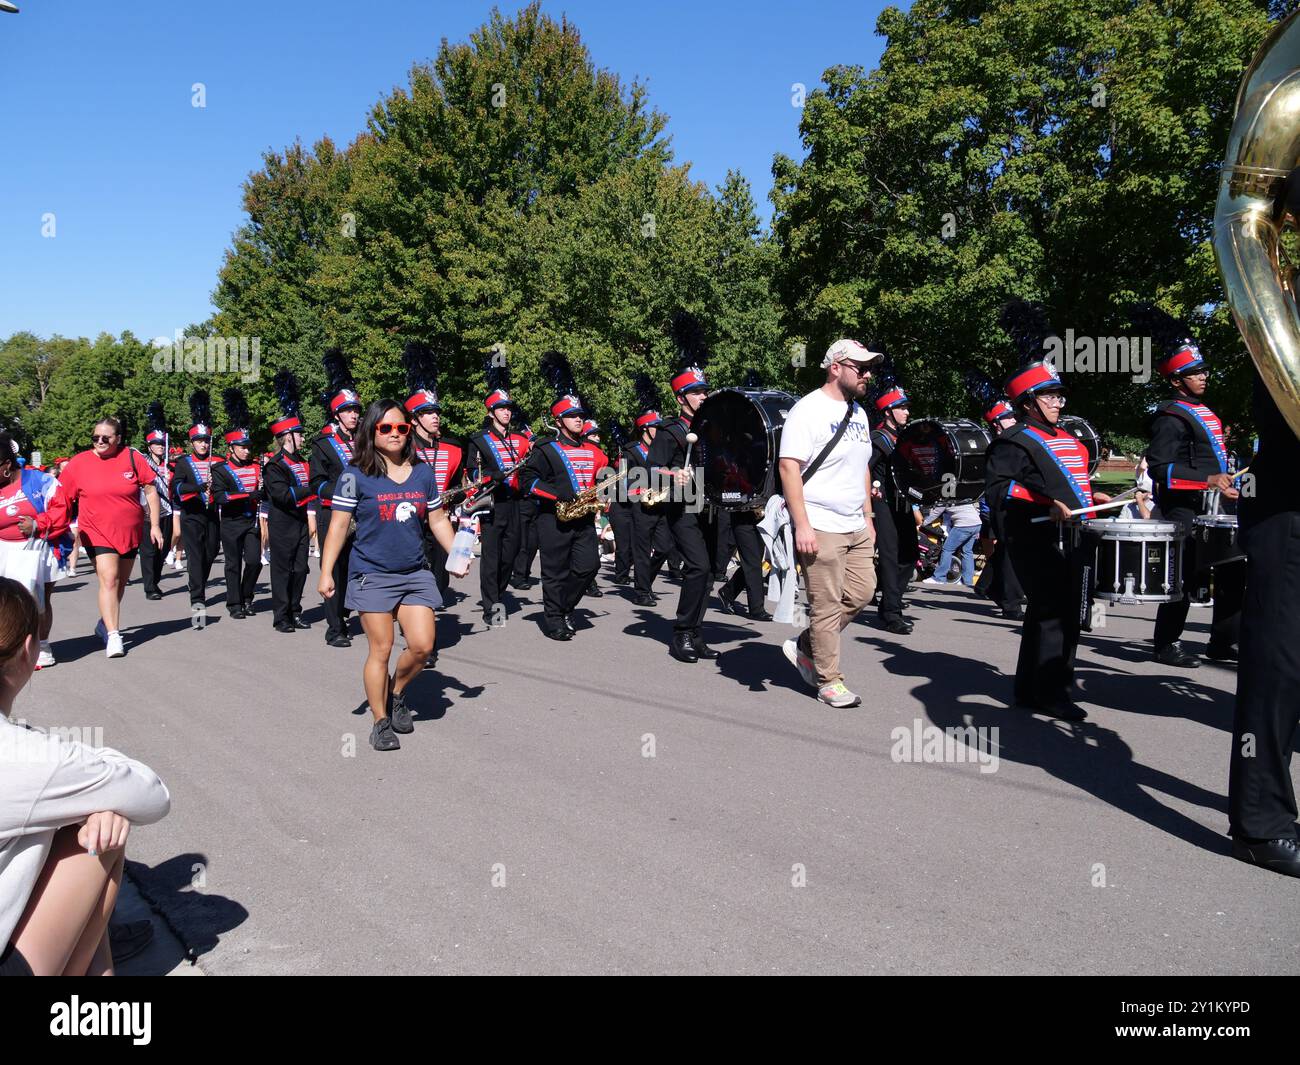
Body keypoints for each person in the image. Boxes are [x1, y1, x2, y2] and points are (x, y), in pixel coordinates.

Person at [0, 578, 171, 976]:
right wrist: (92, 788)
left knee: (88, 816)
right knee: (101, 834)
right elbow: (152, 794)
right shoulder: (29, 756)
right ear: (29, 651)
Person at [984, 303, 1111, 722]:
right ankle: (1049, 690)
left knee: (1063, 609)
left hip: (1072, 532)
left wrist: (1095, 498)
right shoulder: (1014, 441)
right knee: (1052, 609)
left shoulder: (1070, 439)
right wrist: (1045, 503)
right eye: (1050, 396)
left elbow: (1072, 484)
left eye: (1059, 395)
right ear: (1028, 402)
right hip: (1033, 534)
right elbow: (1000, 491)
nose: (1058, 402)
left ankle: (1036, 686)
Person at [320, 400, 464, 752]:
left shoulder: (423, 473)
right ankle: (380, 722)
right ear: (371, 432)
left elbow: (438, 520)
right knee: (381, 648)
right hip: (371, 573)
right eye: (386, 428)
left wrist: (457, 553)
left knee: (423, 646)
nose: (395, 434)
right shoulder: (354, 475)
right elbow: (339, 525)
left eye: (402, 427)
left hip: (415, 571)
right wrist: (326, 572)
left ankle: (396, 693)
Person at [1138, 308, 1244, 667]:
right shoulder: (1170, 416)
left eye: (1203, 370)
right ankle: (1166, 643)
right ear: (1175, 380)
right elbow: (1160, 469)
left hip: (1214, 505)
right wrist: (1207, 480)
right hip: (1183, 507)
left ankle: (1223, 642)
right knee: (1184, 577)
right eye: (1193, 373)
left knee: (1233, 570)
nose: (1203, 377)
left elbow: (1211, 463)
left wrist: (1225, 484)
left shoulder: (1206, 411)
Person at [778, 339, 880, 707]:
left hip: (855, 523)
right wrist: (802, 525)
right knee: (825, 605)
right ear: (835, 367)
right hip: (820, 521)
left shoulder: (860, 413)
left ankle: (806, 645)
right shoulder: (808, 410)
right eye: (861, 368)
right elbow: (789, 467)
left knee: (863, 592)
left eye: (870, 369)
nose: (868, 375)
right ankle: (828, 680)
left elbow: (862, 467)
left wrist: (868, 517)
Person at [43, 418, 164, 659]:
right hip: (95, 530)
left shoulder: (132, 457)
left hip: (130, 530)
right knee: (109, 579)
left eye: (105, 437)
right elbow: (62, 499)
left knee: (118, 583)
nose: (99, 441)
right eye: (95, 437)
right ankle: (114, 635)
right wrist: (53, 527)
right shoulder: (79, 463)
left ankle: (104, 623)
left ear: (118, 438)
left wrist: (156, 526)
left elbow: (150, 490)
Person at [514, 373, 611, 641]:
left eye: (580, 414)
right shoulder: (546, 448)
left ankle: (565, 606)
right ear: (558, 421)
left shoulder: (593, 450)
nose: (579, 419)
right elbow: (527, 481)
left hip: (583, 518)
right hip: (552, 518)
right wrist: (557, 493)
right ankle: (554, 618)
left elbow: (602, 476)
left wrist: (607, 492)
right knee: (554, 571)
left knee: (589, 566)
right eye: (572, 415)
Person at [646, 314, 720, 664]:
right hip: (681, 504)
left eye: (705, 390)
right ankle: (680, 635)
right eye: (696, 392)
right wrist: (672, 473)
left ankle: (695, 633)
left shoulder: (713, 428)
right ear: (681, 398)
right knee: (698, 567)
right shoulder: (669, 431)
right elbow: (648, 470)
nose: (703, 396)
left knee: (708, 574)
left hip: (711, 504)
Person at [466, 360, 531, 628]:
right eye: (501, 408)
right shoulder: (479, 439)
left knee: (511, 553)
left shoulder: (520, 439)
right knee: (492, 557)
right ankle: (491, 604)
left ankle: (499, 592)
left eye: (508, 408)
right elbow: (472, 474)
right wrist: (493, 476)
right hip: (493, 502)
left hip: (515, 502)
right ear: (491, 412)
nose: (506, 412)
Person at [403, 341, 467, 601]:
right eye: (427, 412)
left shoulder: (453, 449)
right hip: (409, 524)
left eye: (436, 411)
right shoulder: (401, 449)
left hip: (441, 521)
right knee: (415, 578)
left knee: (440, 581)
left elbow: (456, 485)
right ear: (414, 419)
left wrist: (459, 496)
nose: (435, 416)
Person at [310, 348, 364, 648]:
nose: (354, 414)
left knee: (359, 568)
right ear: (337, 413)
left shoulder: (365, 441)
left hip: (364, 514)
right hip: (334, 514)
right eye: (348, 410)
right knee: (335, 568)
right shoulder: (323, 444)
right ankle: (335, 628)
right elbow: (317, 484)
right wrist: (345, 493)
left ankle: (345, 612)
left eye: (356, 409)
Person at [0, 432, 65, 668]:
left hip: (37, 548)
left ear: (6, 465)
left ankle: (42, 647)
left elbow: (62, 509)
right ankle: (13, 648)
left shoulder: (39, 481)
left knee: (36, 601)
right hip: (3, 550)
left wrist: (38, 524)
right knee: (6, 603)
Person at [263, 372, 316, 634]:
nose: (303, 438)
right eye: (299, 434)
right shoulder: (274, 465)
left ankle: (296, 610)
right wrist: (312, 490)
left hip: (301, 521)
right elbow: (282, 496)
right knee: (282, 570)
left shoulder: (303, 462)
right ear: (288, 436)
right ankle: (281, 616)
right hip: (282, 523)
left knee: (301, 568)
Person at [868, 381, 918, 633]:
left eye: (907, 407)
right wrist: (870, 491)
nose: (907, 412)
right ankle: (891, 613)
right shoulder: (878, 439)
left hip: (904, 504)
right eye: (902, 408)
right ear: (888, 411)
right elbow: (862, 469)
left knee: (910, 555)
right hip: (884, 505)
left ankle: (889, 600)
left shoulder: (903, 438)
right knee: (889, 558)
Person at [210, 389, 263, 619]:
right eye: (242, 447)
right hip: (230, 523)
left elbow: (264, 491)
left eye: (248, 446)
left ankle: (246, 595)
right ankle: (234, 604)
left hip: (251, 521)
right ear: (231, 448)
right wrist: (249, 496)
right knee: (233, 565)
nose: (247, 450)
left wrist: (263, 491)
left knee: (254, 561)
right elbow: (220, 496)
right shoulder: (220, 470)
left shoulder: (256, 467)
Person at [626, 374, 676, 607]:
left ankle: (646, 580)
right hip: (642, 504)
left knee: (665, 547)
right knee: (642, 549)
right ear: (645, 429)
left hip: (661, 502)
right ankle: (642, 590)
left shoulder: (664, 448)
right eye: (656, 427)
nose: (660, 431)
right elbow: (628, 480)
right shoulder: (633, 451)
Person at [171, 392, 222, 613]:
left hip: (212, 515)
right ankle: (197, 595)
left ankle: (200, 583)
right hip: (191, 515)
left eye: (206, 441)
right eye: (199, 441)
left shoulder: (218, 461)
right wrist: (196, 488)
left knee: (210, 552)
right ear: (192, 442)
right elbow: (177, 488)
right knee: (195, 555)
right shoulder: (184, 463)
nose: (203, 444)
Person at [137, 402, 172, 601]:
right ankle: (150, 587)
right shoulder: (142, 462)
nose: (160, 447)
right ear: (150, 446)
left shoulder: (170, 464)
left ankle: (155, 580)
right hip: (148, 512)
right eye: (157, 444)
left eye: (162, 444)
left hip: (167, 511)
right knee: (149, 550)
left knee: (163, 548)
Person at [922, 500, 982, 586]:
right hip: (976, 524)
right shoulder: (961, 495)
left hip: (963, 525)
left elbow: (936, 512)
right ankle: (967, 581)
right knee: (967, 551)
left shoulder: (944, 498)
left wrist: (923, 523)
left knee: (947, 549)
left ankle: (939, 577)